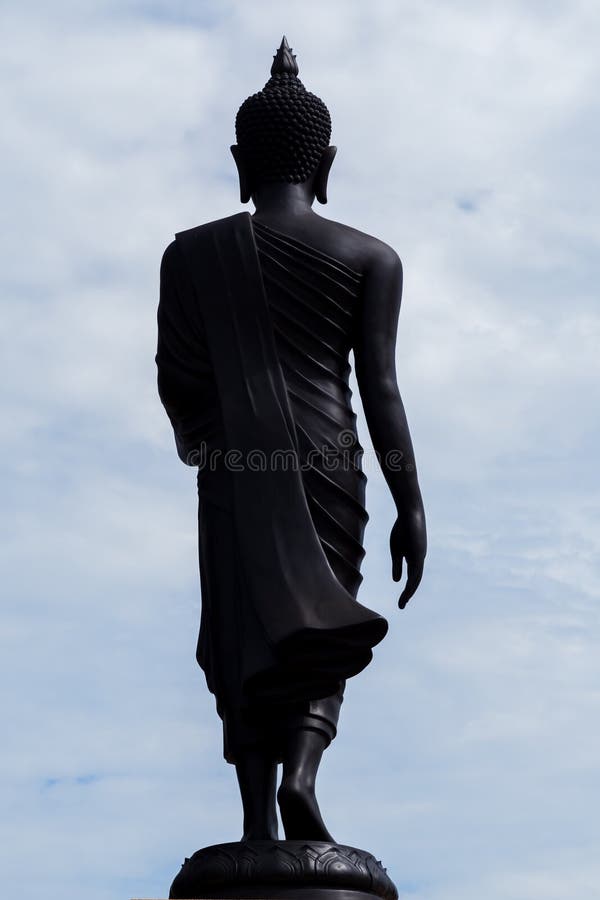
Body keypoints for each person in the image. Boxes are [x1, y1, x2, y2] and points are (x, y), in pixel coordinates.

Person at [156, 37, 426, 844]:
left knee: (248, 628)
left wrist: (219, 444)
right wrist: (410, 501)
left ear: (241, 160)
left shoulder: (192, 255)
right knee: (320, 618)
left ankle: (255, 823)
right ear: (326, 163)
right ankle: (303, 779)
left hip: (240, 464)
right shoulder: (371, 256)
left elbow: (178, 375)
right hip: (330, 461)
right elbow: (379, 386)